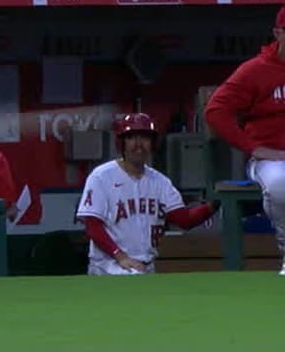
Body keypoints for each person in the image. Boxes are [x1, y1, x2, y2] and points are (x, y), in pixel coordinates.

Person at [77, 113, 217, 275]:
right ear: (121, 143)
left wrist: (213, 206)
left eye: (144, 138)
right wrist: (120, 256)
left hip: (145, 266)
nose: (139, 144)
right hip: (109, 264)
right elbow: (92, 226)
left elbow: (184, 219)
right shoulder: (101, 176)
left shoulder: (160, 182)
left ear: (152, 143)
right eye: (132, 138)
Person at [205, 8, 285, 274]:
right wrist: (254, 148)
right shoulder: (256, 70)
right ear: (278, 33)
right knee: (280, 184)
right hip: (273, 158)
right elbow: (216, 111)